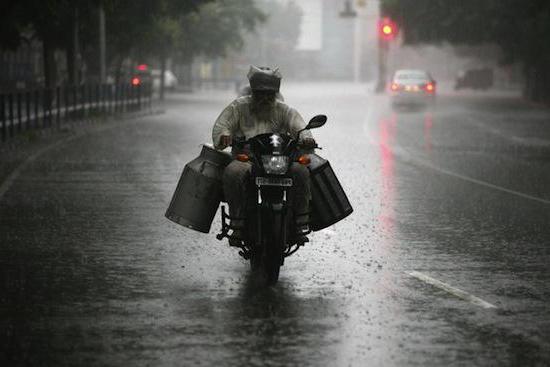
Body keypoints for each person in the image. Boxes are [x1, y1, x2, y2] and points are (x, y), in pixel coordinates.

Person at [212, 66, 316, 243]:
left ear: (276, 93)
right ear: (253, 91)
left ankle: (300, 222)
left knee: (301, 170)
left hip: (279, 159)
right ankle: (237, 224)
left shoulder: (285, 110)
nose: (266, 98)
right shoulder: (238, 107)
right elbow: (222, 126)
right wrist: (224, 137)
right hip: (247, 158)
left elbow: (300, 127)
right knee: (233, 172)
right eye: (261, 93)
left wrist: (307, 138)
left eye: (270, 93)